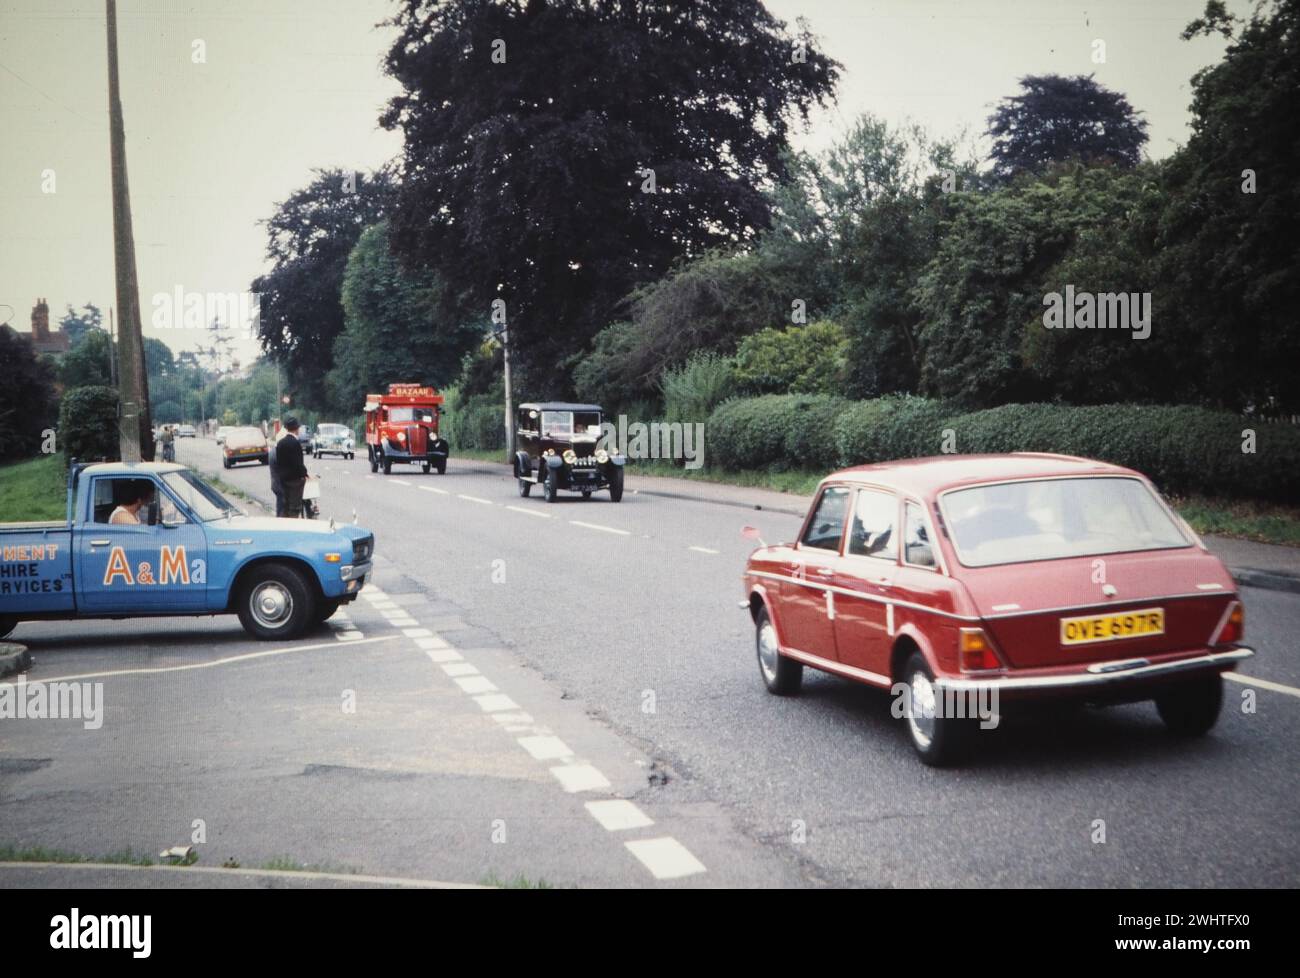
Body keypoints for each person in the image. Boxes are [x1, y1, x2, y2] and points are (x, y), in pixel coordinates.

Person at [274, 416, 309, 518]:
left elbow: (279, 462)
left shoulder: (280, 443)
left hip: (283, 480)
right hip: (295, 481)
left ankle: (285, 527)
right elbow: (298, 464)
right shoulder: (295, 443)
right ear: (296, 428)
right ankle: (293, 526)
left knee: (286, 506)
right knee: (295, 507)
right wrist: (305, 474)